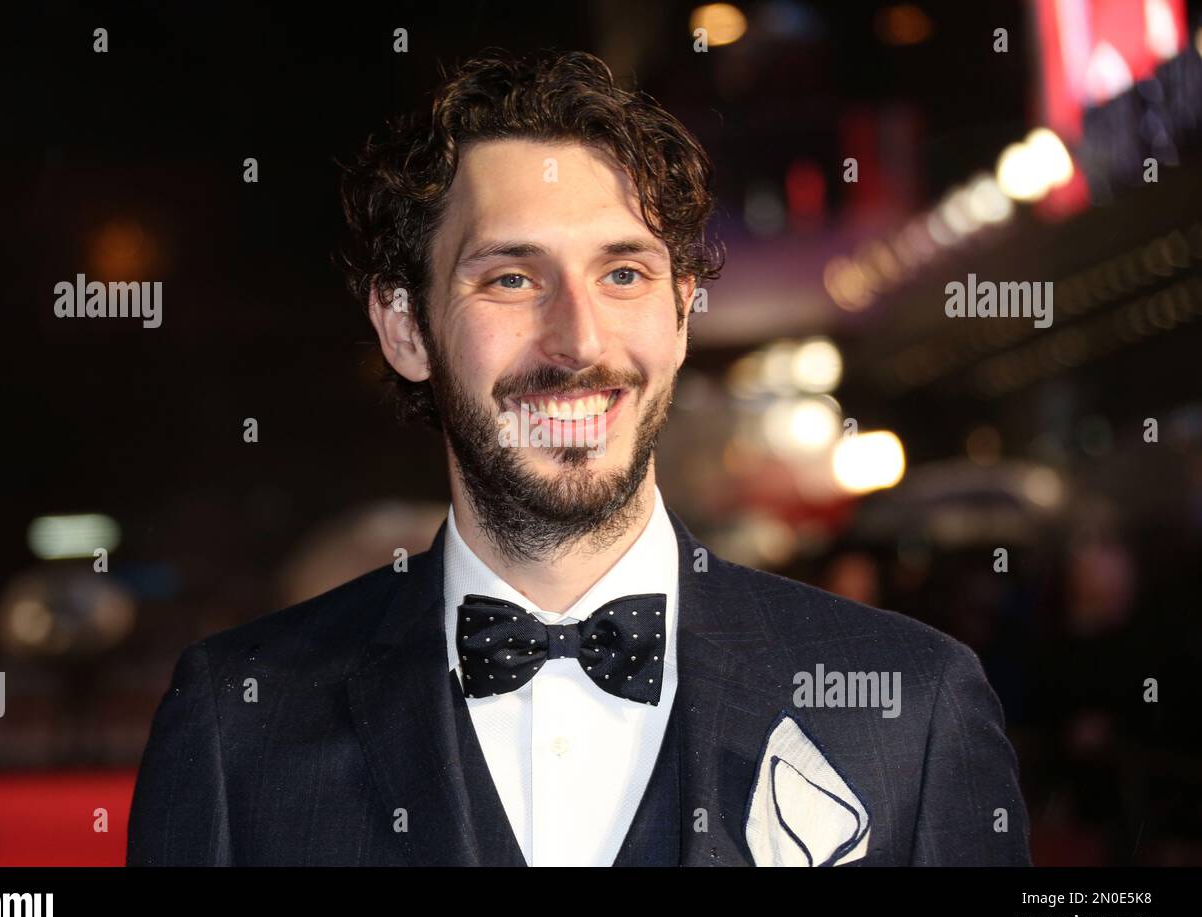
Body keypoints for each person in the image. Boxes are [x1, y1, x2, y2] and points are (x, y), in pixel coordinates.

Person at [127, 48, 1029, 866]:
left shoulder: (915, 707)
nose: (578, 339)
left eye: (623, 274)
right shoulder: (235, 721)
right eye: (512, 278)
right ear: (406, 329)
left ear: (681, 316)